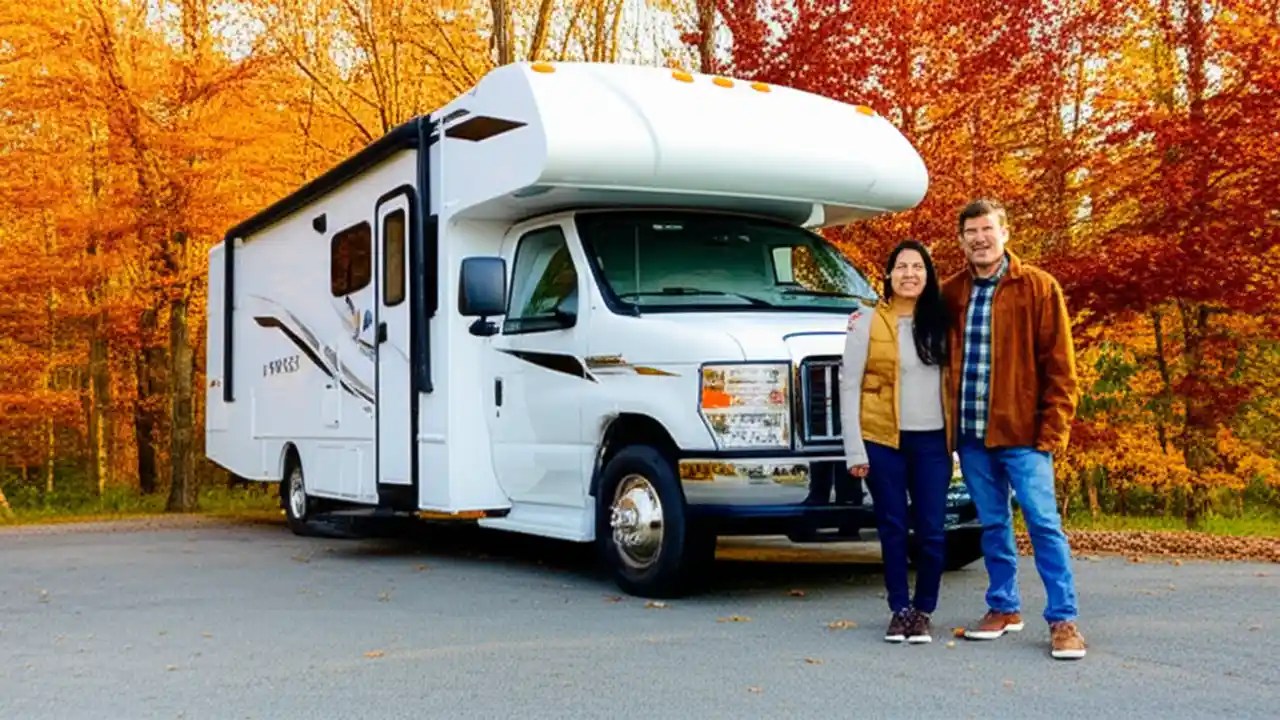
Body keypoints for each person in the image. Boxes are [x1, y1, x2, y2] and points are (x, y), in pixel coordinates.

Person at [941, 198, 1087, 660]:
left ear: (1005, 232)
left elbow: (1061, 369)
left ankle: (1063, 619)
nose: (979, 239)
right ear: (961, 240)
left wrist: (1052, 432)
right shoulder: (951, 293)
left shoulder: (1039, 288)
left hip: (1024, 435)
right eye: (971, 232)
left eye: (987, 230)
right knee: (992, 524)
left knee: (1044, 524)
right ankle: (1004, 607)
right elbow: (914, 331)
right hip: (972, 435)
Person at [839, 239, 953, 644]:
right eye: (902, 267)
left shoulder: (943, 319)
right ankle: (899, 609)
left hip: (933, 442)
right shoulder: (866, 321)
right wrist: (854, 448)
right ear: (888, 275)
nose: (910, 274)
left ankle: (924, 610)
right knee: (892, 526)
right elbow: (849, 384)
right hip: (882, 439)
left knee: (932, 530)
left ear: (928, 274)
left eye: (918, 267)